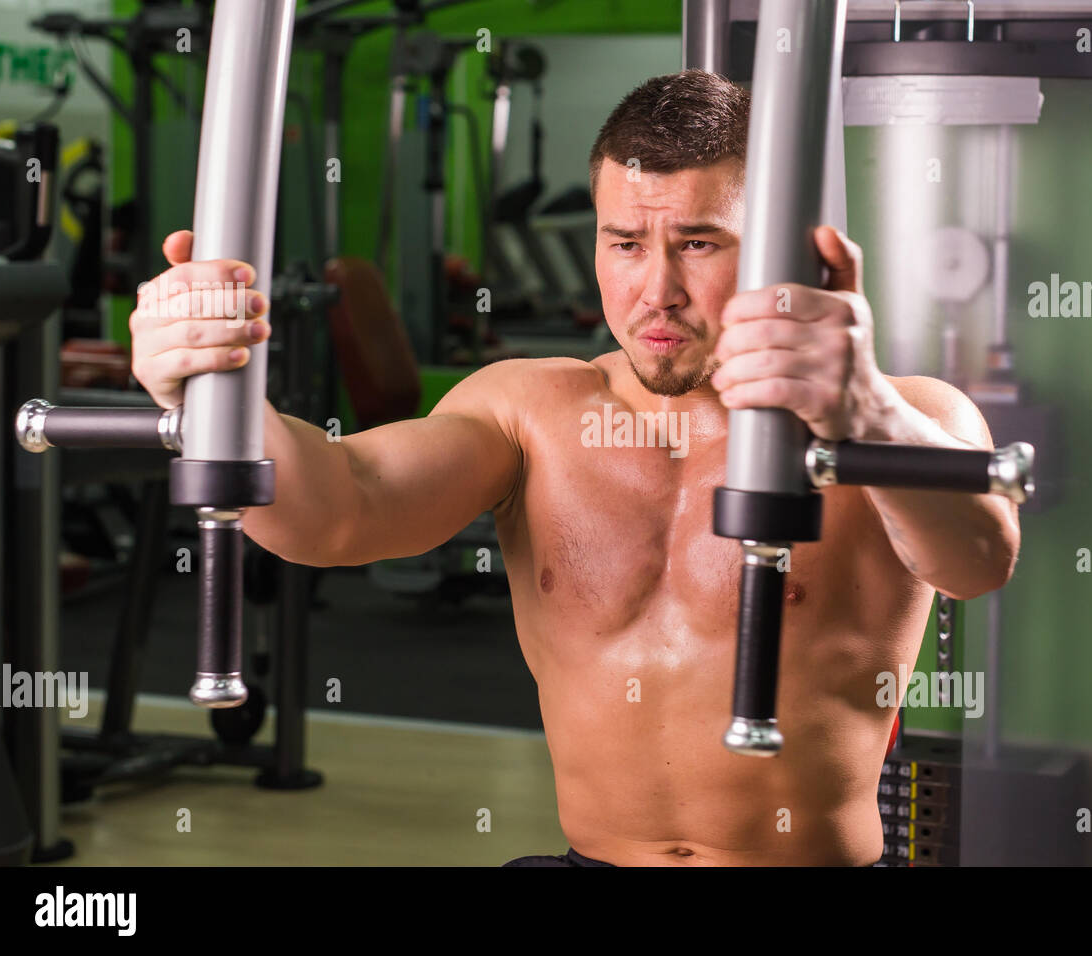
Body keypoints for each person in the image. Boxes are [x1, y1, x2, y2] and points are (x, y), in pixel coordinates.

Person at [128, 69, 1020, 866]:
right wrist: (207, 396)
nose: (655, 289)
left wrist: (860, 406)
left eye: (701, 243)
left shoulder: (908, 417)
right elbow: (338, 512)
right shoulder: (528, 410)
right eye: (625, 243)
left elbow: (980, 562)